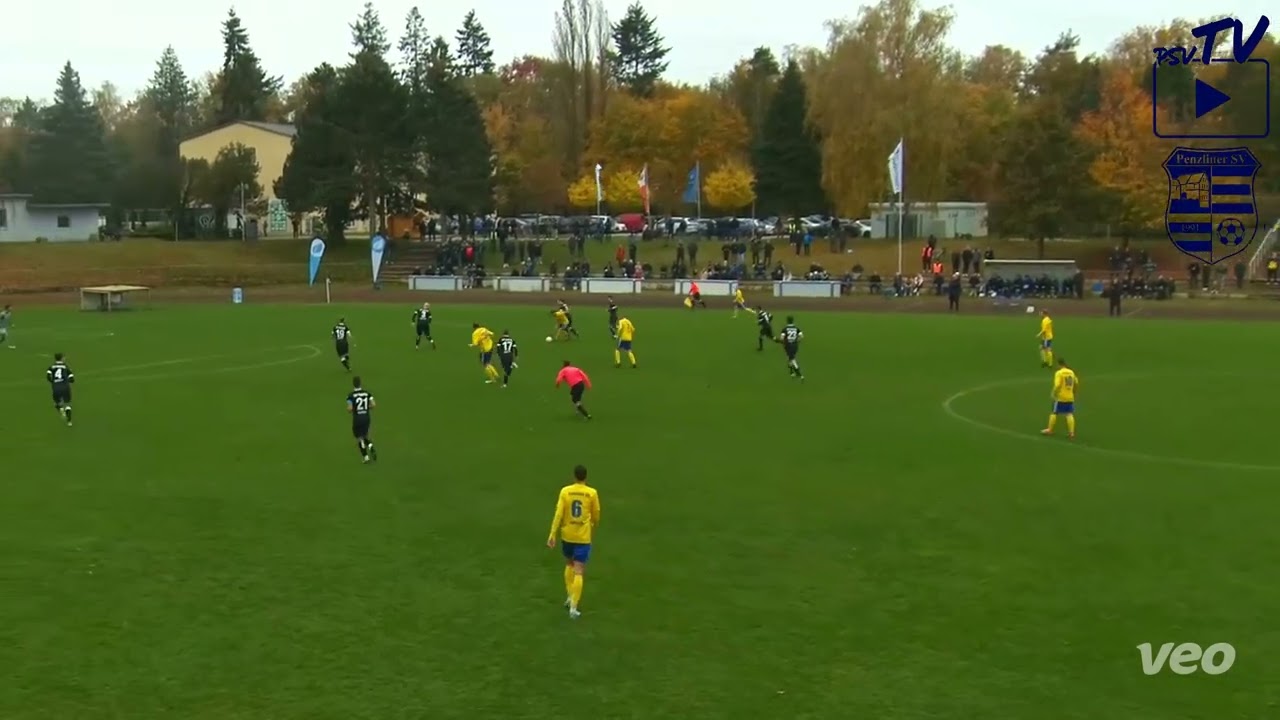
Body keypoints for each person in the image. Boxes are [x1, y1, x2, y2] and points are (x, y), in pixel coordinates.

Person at [546, 464, 601, 619]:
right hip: (583, 536)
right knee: (579, 569)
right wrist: (594, 524)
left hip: (567, 535)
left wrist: (552, 534)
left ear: (574, 476)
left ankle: (570, 596)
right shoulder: (592, 493)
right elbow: (596, 513)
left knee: (569, 564)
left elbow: (558, 513)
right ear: (586, 477)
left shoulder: (565, 491)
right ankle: (574, 608)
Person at [1041, 358, 1079, 439]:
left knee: (1054, 412)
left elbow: (1057, 385)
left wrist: (1053, 393)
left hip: (1060, 397)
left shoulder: (1059, 373)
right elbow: (1076, 383)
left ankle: (1050, 429)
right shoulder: (1071, 372)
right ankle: (1071, 433)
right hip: (1070, 396)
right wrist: (1074, 393)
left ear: (1059, 365)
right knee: (1069, 414)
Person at [346, 375, 378, 463]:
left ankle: (366, 457)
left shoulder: (351, 395)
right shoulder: (367, 393)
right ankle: (370, 446)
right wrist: (366, 408)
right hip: (366, 418)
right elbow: (374, 405)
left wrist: (353, 409)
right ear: (360, 383)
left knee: (360, 438)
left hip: (357, 419)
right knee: (364, 436)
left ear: (353, 384)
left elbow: (349, 409)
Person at [46, 352, 74, 426]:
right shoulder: (66, 367)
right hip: (65, 387)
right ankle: (69, 421)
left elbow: (48, 376)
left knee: (56, 403)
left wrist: (53, 382)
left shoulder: (51, 367)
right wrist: (68, 381)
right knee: (67, 404)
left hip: (56, 387)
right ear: (62, 358)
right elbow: (72, 378)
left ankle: (61, 409)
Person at [778, 316, 805, 380]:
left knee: (792, 359)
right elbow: (801, 336)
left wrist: (783, 342)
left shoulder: (785, 329)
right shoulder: (796, 328)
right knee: (790, 357)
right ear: (793, 321)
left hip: (788, 346)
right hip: (795, 345)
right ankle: (791, 372)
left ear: (787, 321)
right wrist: (796, 341)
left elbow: (781, 338)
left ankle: (799, 374)